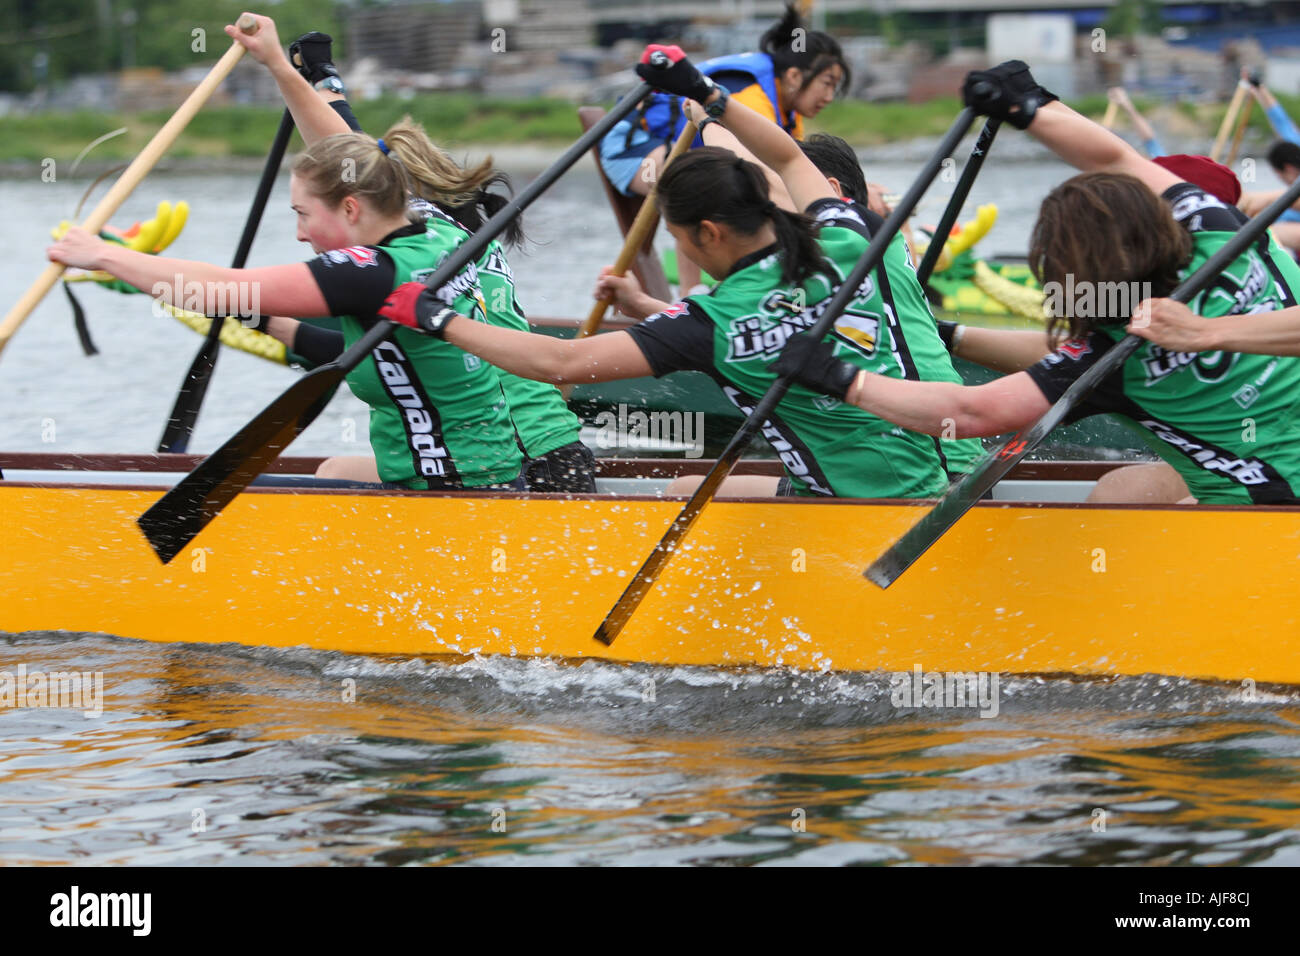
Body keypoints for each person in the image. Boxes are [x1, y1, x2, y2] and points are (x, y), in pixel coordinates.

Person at [378, 45, 981, 501]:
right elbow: (787, 156)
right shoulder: (847, 239)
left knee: (689, 493)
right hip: (943, 471)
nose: (679, 247)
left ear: (709, 234)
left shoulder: (712, 320)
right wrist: (707, 97)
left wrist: (436, 316)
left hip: (856, 508)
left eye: (676, 236)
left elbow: (556, 363)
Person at [771, 61, 1300, 507]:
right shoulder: (1212, 226)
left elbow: (968, 413)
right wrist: (1028, 106)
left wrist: (841, 377)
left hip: (1273, 512)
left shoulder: (1114, 355)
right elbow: (1114, 158)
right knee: (1117, 493)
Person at [225, 14, 595, 493]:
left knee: (335, 477)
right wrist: (320, 77)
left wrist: (281, 66)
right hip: (558, 453)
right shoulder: (448, 236)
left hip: (521, 460)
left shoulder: (421, 242)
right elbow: (350, 156)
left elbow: (344, 156)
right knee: (336, 470)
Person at [47, 128, 525, 492]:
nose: (300, 233)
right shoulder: (436, 234)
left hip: (450, 488)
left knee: (239, 500)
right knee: (333, 470)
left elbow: (222, 289)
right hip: (489, 468)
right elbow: (372, 353)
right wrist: (266, 321)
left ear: (352, 209)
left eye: (302, 214)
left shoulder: (367, 271)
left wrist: (102, 255)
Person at [601, 2, 849, 292]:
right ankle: (690, 296)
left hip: (685, 146)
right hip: (633, 144)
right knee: (700, 190)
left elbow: (796, 169)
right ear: (794, 76)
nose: (830, 96)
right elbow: (757, 175)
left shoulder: (786, 108)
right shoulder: (752, 97)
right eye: (827, 83)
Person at [1107, 87, 1164, 157]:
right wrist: (1125, 104)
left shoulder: (1159, 162)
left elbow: (1149, 139)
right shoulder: (1159, 161)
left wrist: (1126, 104)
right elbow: (1149, 139)